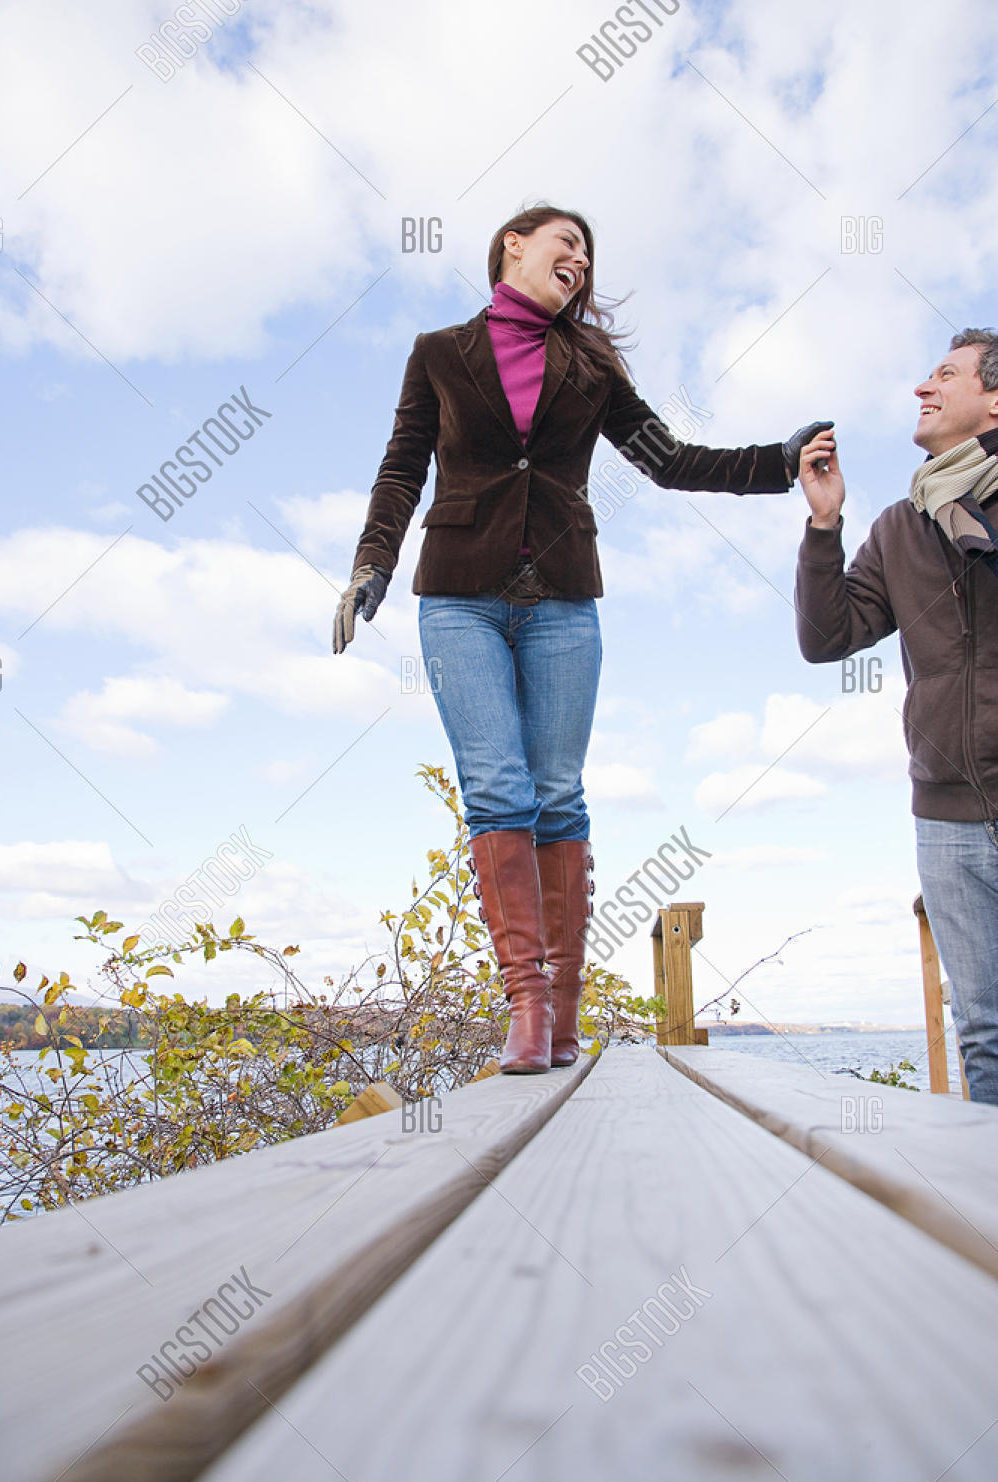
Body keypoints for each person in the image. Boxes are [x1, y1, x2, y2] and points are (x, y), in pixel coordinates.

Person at [334, 203, 827, 1075]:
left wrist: (776, 464)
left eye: (588, 254)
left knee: (557, 793)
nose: (580, 260)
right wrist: (370, 566)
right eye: (568, 243)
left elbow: (668, 460)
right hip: (458, 598)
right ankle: (524, 1004)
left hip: (562, 597)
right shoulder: (439, 353)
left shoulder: (590, 365)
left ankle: (564, 1010)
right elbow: (402, 466)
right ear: (512, 246)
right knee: (496, 788)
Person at [794, 328, 998, 1105]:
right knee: (983, 1030)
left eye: (945, 374)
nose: (922, 387)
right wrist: (823, 524)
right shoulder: (899, 526)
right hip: (944, 819)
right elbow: (826, 637)